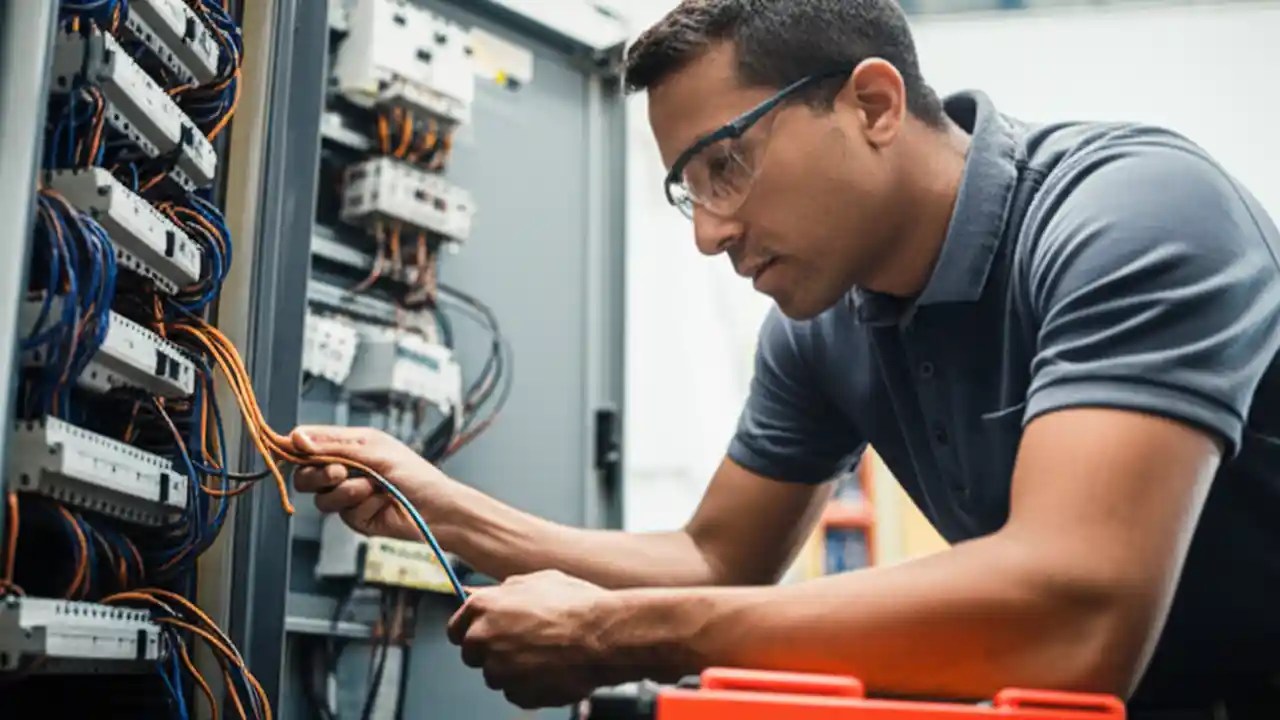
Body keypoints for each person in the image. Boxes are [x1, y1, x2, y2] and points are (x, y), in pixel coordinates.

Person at [292, 0, 1280, 715]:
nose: (707, 234)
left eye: (725, 164)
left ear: (873, 103)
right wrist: (436, 503)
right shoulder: (819, 328)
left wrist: (614, 636)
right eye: (688, 188)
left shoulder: (1133, 212)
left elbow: (1074, 614)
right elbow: (714, 557)